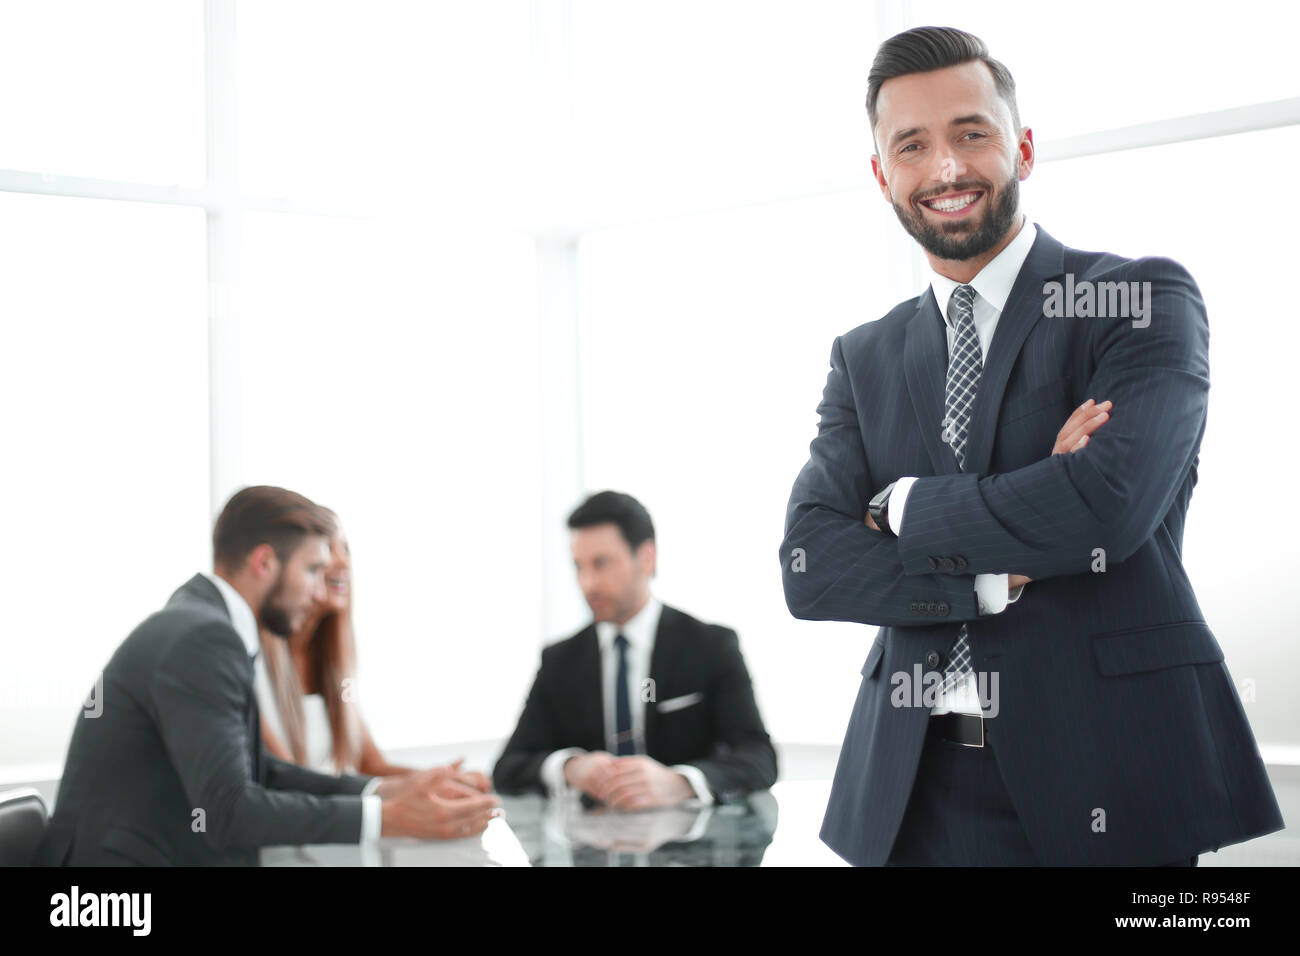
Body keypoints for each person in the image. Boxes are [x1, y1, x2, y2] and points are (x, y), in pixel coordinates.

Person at [780, 26, 1284, 866]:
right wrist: (994, 566)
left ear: (1022, 147)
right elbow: (811, 566)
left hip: (1107, 777)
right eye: (913, 145)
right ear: (882, 176)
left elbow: (1103, 510)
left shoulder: (1134, 299)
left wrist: (897, 505)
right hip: (910, 795)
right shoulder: (862, 356)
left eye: (971, 133)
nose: (945, 168)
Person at [37, 486, 499, 866]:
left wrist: (386, 789)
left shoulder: (204, 625)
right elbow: (229, 810)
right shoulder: (203, 637)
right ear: (265, 562)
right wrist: (388, 817)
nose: (319, 591)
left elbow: (264, 771)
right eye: (314, 569)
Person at [493, 491, 777, 806]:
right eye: (579, 566)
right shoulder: (560, 660)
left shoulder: (711, 646)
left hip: (688, 846)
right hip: (594, 845)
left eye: (601, 563)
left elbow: (759, 758)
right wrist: (570, 767)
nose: (588, 583)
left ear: (646, 558)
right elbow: (508, 767)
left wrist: (679, 782)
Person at [256, 512, 412, 776]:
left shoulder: (335, 666)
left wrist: (444, 782)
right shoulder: (254, 660)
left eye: (346, 549)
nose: (343, 562)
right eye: (328, 548)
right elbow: (293, 781)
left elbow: (371, 765)